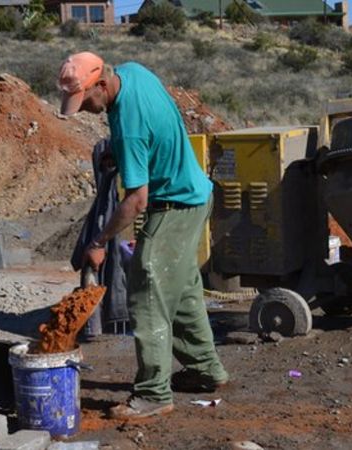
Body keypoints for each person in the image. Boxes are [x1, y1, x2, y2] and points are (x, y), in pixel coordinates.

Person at [57, 52, 229, 419]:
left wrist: (98, 243)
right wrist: (122, 155)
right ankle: (205, 371)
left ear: (101, 84)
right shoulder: (134, 73)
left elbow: (136, 201)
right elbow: (157, 130)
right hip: (196, 194)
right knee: (180, 291)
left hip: (175, 205)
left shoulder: (128, 125)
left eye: (86, 100)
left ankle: (153, 393)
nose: (86, 109)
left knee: (146, 288)